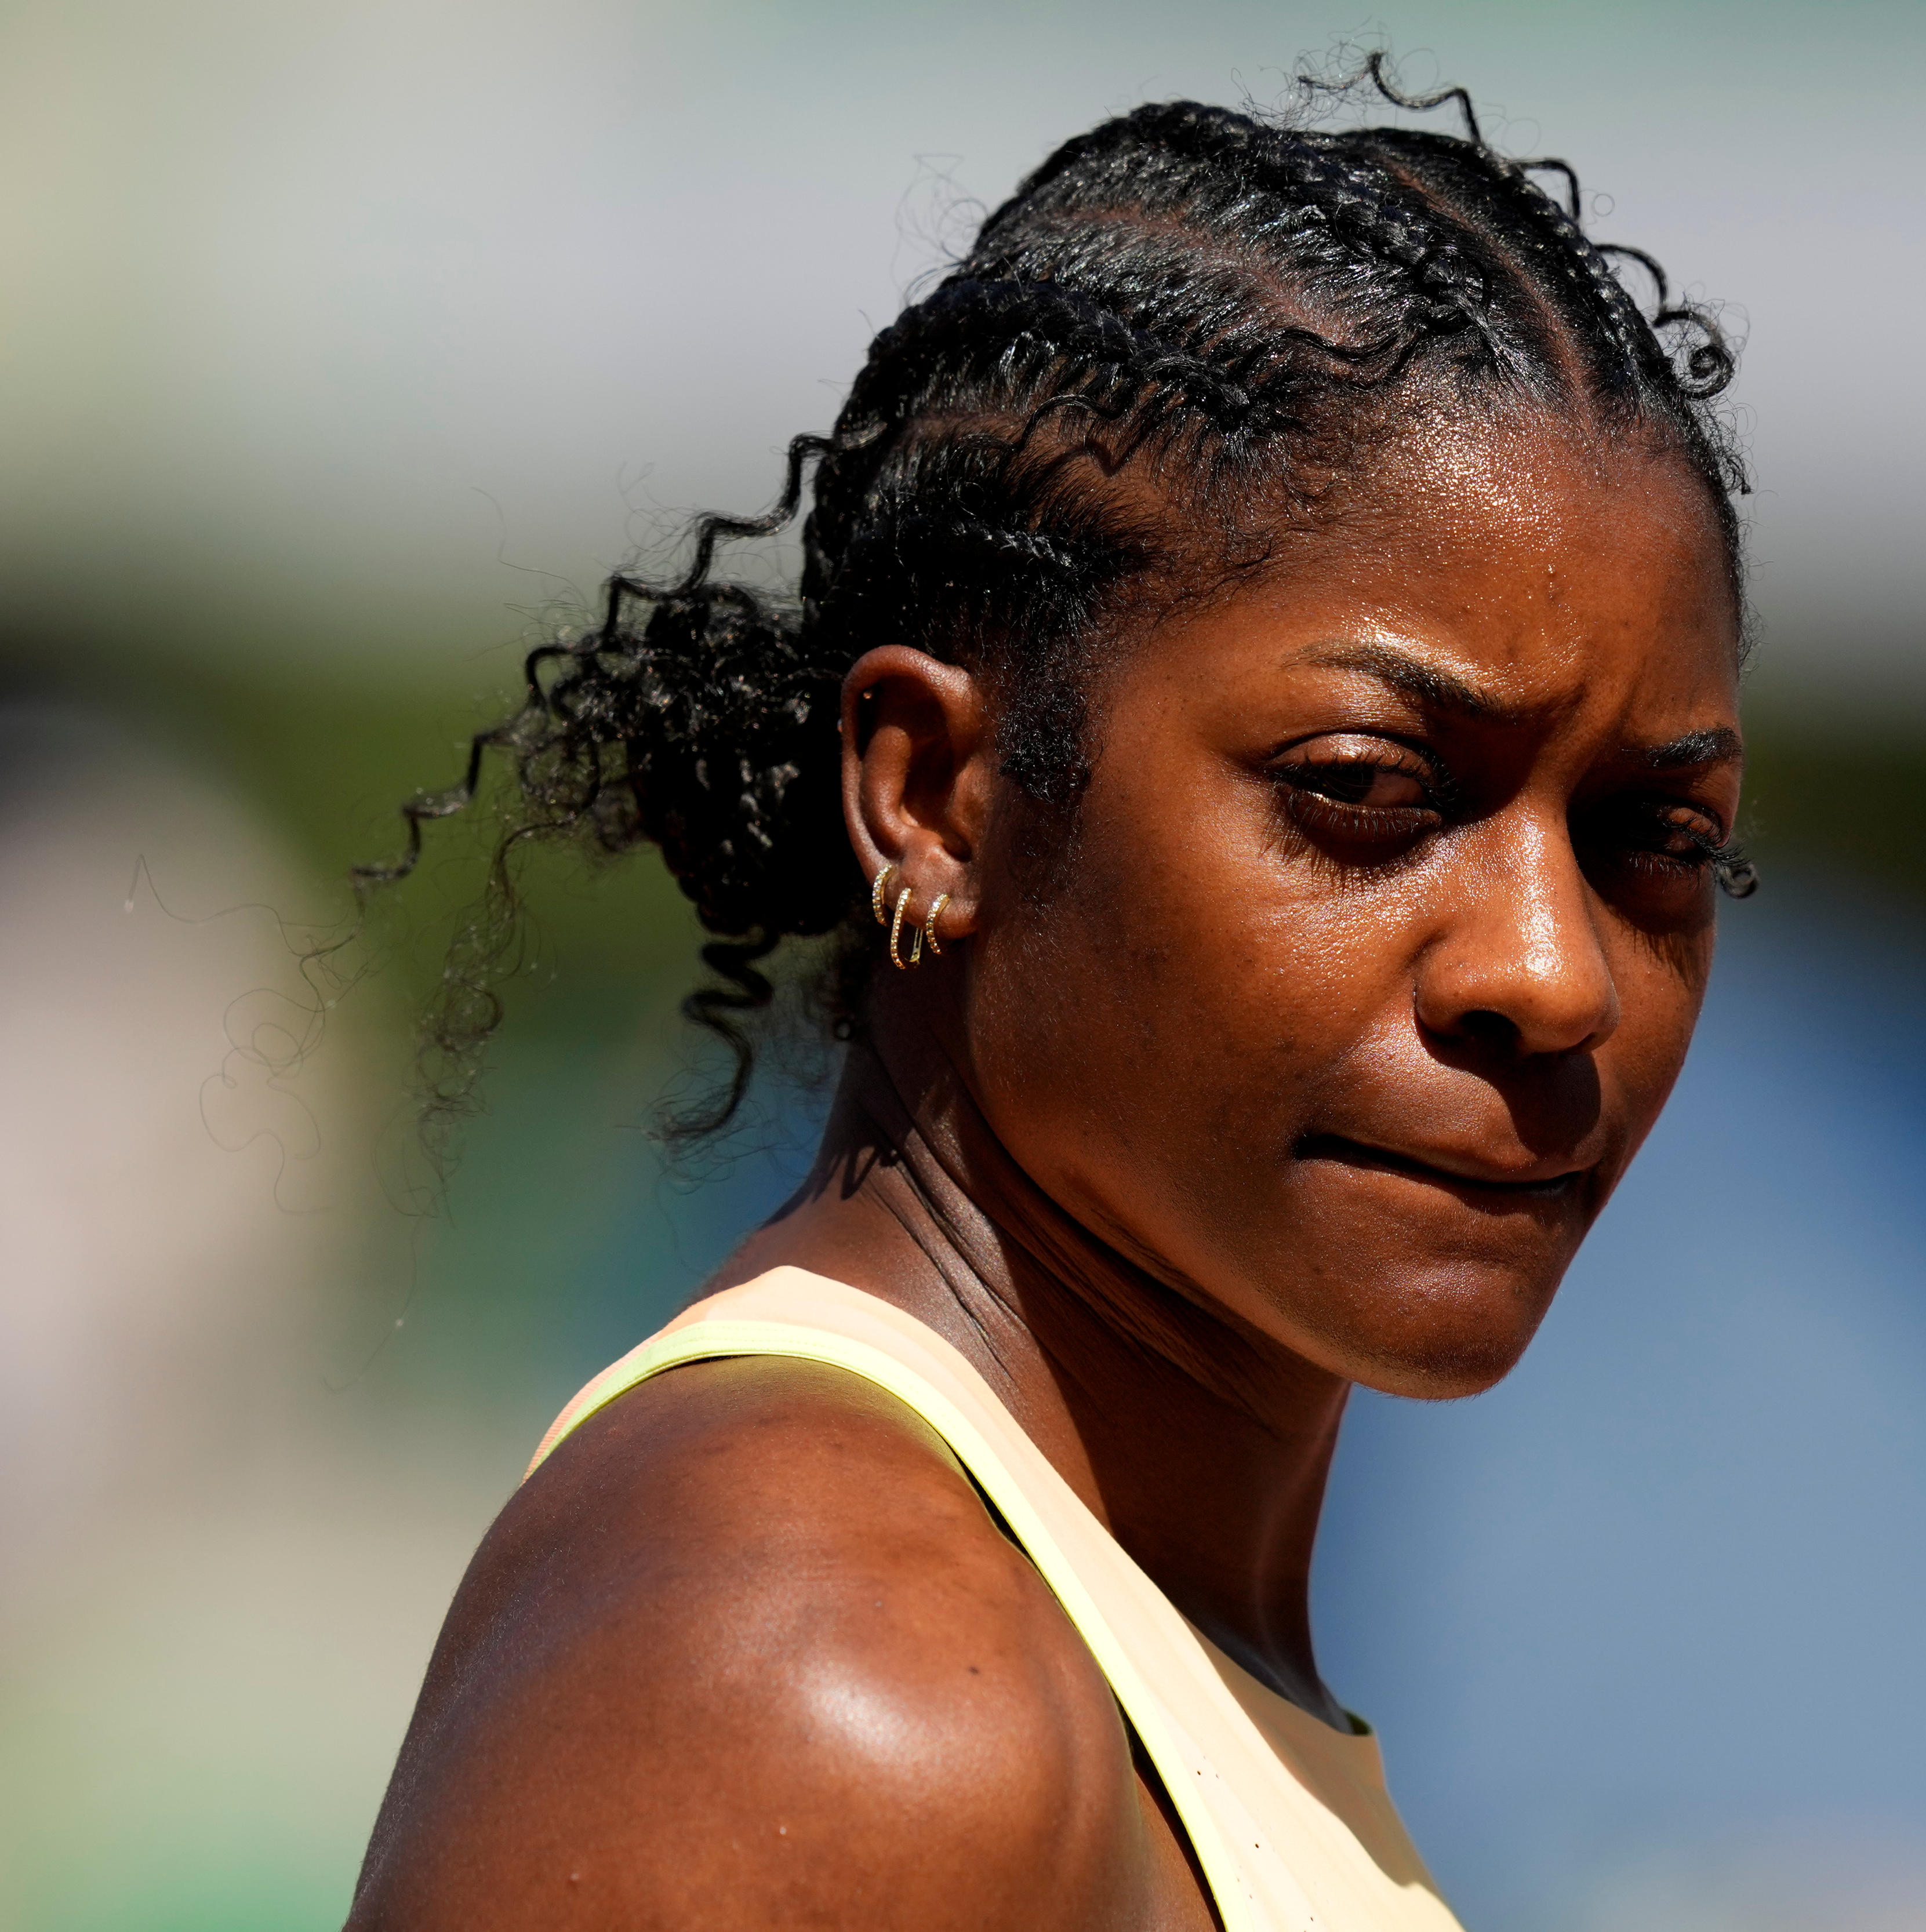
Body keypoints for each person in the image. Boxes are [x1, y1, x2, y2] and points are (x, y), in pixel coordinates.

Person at [346, 60, 1751, 1931]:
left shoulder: (1090, 1637)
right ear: (936, 796)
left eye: (1656, 835)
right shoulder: (830, 1681)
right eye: (1364, 793)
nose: (1548, 973)